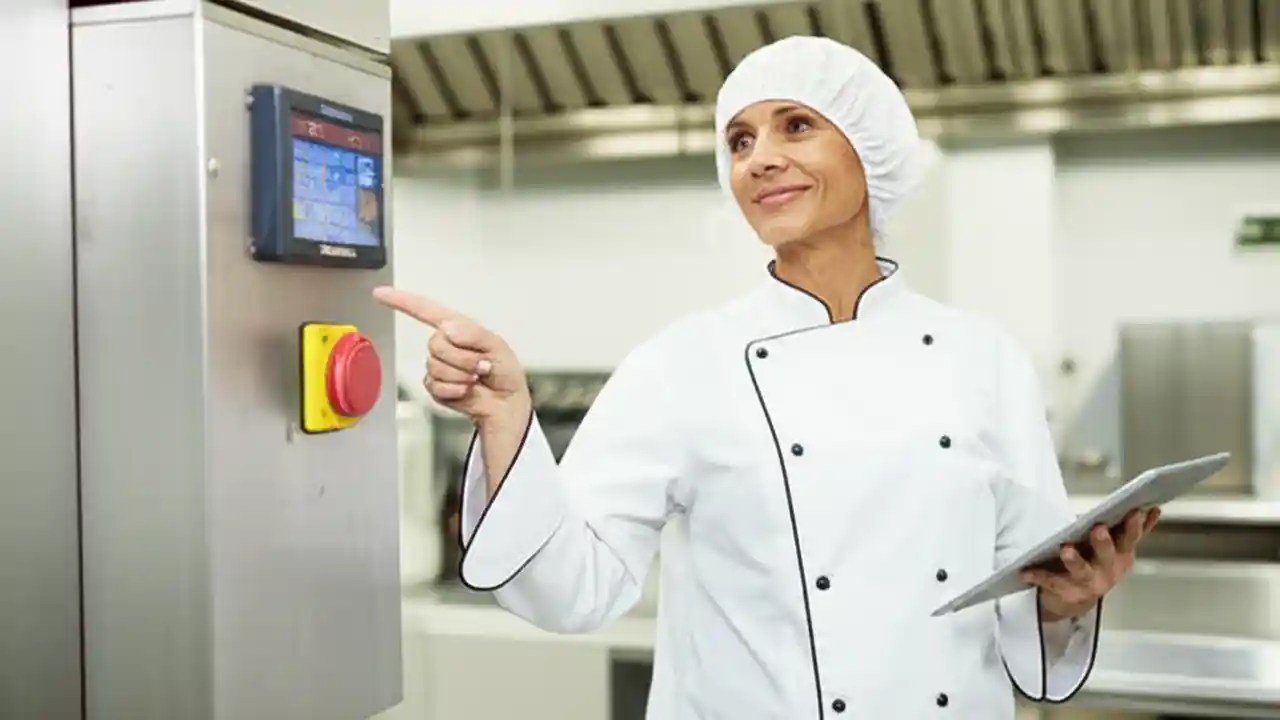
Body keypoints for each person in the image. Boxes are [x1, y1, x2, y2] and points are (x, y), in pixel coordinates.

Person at [374, 36, 1159, 719]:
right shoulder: (683, 364)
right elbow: (573, 587)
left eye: (797, 126)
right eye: (741, 141)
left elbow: (1027, 593)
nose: (761, 158)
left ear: (871, 150)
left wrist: (1066, 600)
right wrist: (508, 418)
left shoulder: (985, 360)